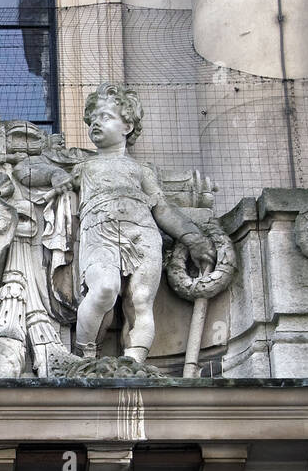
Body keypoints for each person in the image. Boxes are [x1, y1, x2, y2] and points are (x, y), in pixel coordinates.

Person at [66, 83, 216, 364]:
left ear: (127, 126)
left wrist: (193, 237)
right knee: (104, 289)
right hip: (100, 229)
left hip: (143, 232)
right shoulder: (81, 165)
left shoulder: (142, 170)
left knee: (141, 298)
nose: (96, 123)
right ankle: (85, 357)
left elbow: (162, 208)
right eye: (93, 118)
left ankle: (133, 363)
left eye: (106, 117)